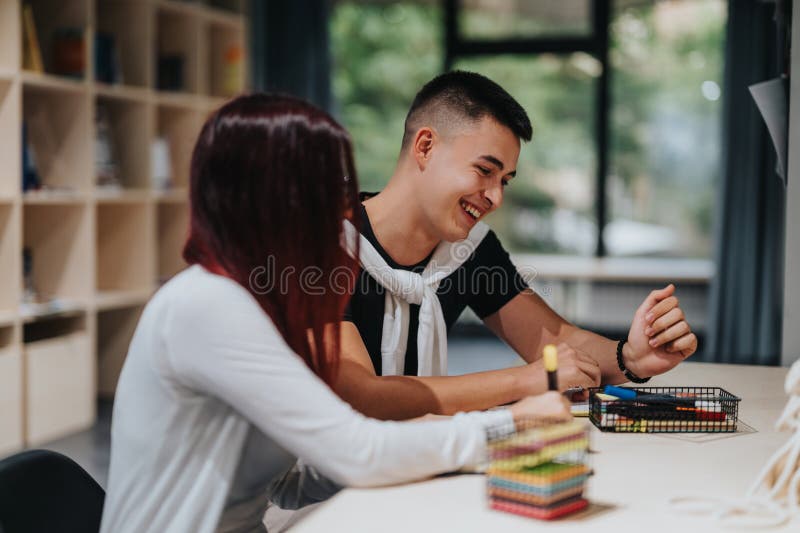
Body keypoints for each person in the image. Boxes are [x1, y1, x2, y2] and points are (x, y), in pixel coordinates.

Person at [99, 94, 570, 533]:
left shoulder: (266, 302)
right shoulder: (208, 305)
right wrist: (509, 424)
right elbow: (356, 451)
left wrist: (432, 440)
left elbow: (287, 481)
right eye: (327, 188)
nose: (344, 207)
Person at [333, 71, 699, 420]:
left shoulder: (470, 252)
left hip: (424, 455)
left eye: (505, 180)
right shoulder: (323, 244)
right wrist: (525, 381)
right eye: (484, 171)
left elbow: (556, 341)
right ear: (425, 147)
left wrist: (631, 358)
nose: (495, 197)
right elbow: (362, 395)